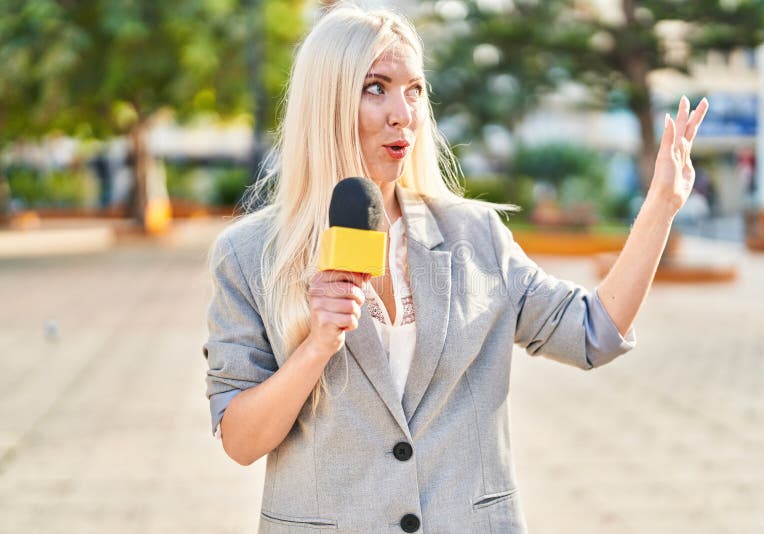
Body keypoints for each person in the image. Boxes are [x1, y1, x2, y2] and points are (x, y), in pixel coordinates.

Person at [203, 5, 708, 533]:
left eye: (414, 90)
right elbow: (241, 441)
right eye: (376, 88)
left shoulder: (475, 235)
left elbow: (593, 333)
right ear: (326, 101)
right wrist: (316, 346)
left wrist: (661, 206)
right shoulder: (248, 255)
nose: (403, 113)